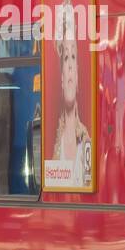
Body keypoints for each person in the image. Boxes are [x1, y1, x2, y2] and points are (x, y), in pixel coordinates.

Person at [52, 24, 91, 187]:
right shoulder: (54, 145)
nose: (69, 65)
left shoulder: (86, 140)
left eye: (73, 57)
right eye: (66, 58)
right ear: (61, 78)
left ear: (77, 75)